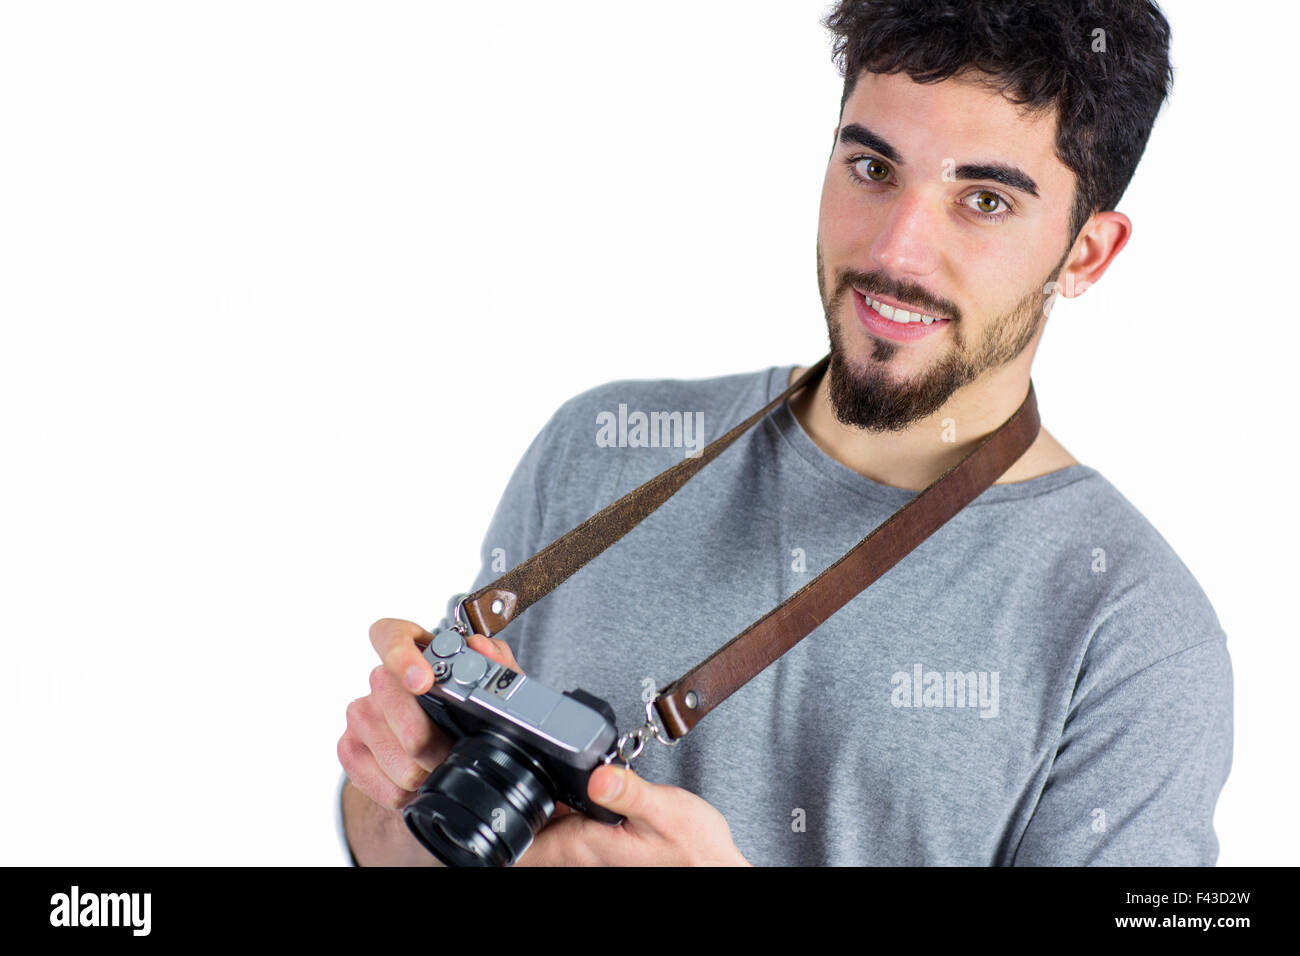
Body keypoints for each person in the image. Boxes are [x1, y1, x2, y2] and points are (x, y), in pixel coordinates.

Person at [337, 0, 1233, 866]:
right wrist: (406, 783)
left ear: (1088, 253)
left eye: (985, 201)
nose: (895, 252)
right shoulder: (600, 449)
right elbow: (389, 838)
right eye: (874, 170)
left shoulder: (1135, 636)